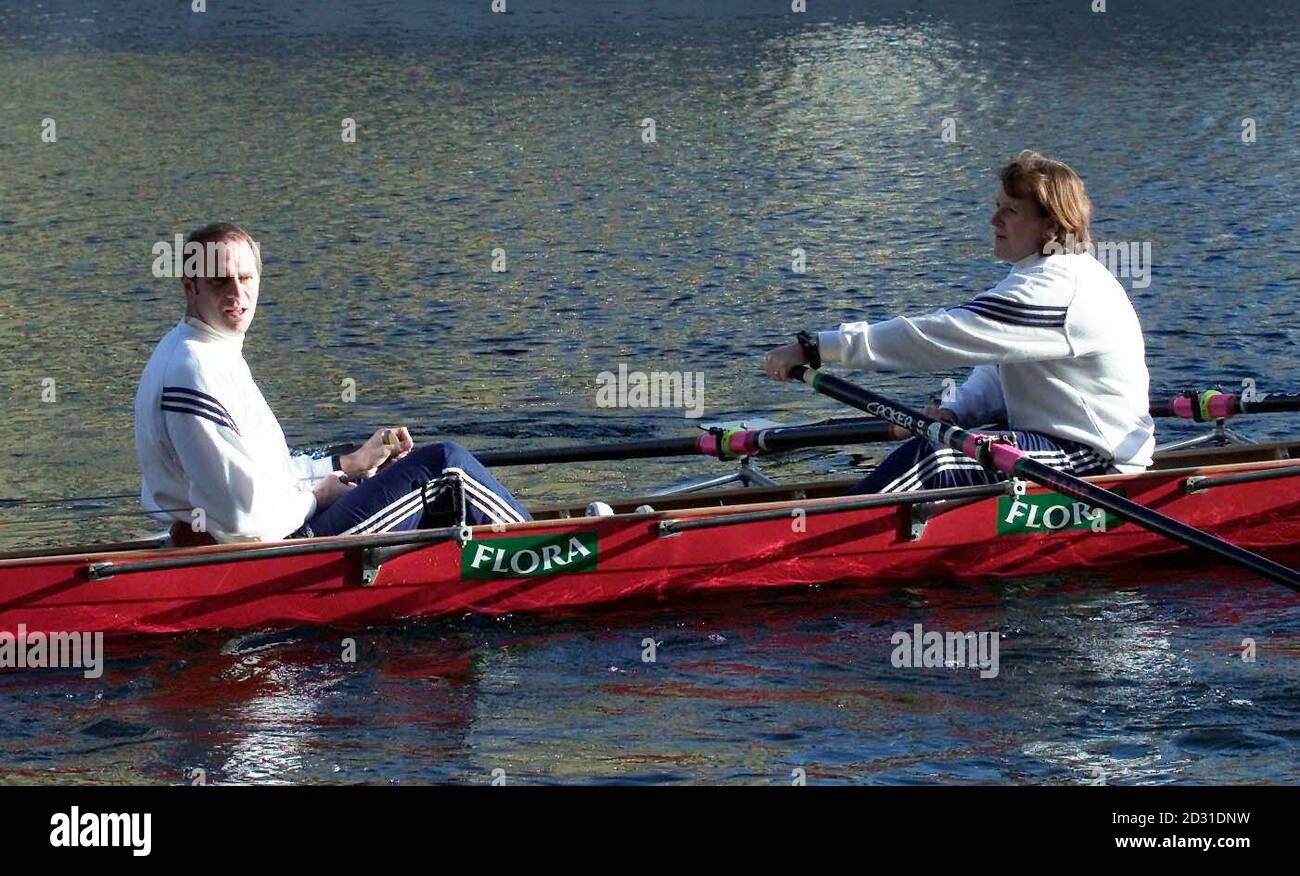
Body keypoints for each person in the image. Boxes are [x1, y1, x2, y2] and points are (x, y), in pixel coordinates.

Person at [762, 150, 1154, 494]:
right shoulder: (1040, 274)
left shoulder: (1060, 289)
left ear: (1050, 226)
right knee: (946, 439)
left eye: (1010, 211)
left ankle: (814, 540)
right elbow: (999, 370)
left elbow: (936, 337)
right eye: (997, 205)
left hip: (1096, 460)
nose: (993, 220)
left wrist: (817, 347)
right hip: (1051, 443)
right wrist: (955, 411)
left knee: (935, 457)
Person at [134, 222, 530, 544]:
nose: (238, 293)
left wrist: (349, 465)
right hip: (272, 552)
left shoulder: (196, 351)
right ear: (190, 287)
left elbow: (260, 478)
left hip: (259, 535)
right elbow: (242, 516)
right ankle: (547, 557)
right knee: (446, 467)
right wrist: (316, 497)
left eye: (246, 278)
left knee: (423, 478)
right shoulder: (195, 370)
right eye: (220, 282)